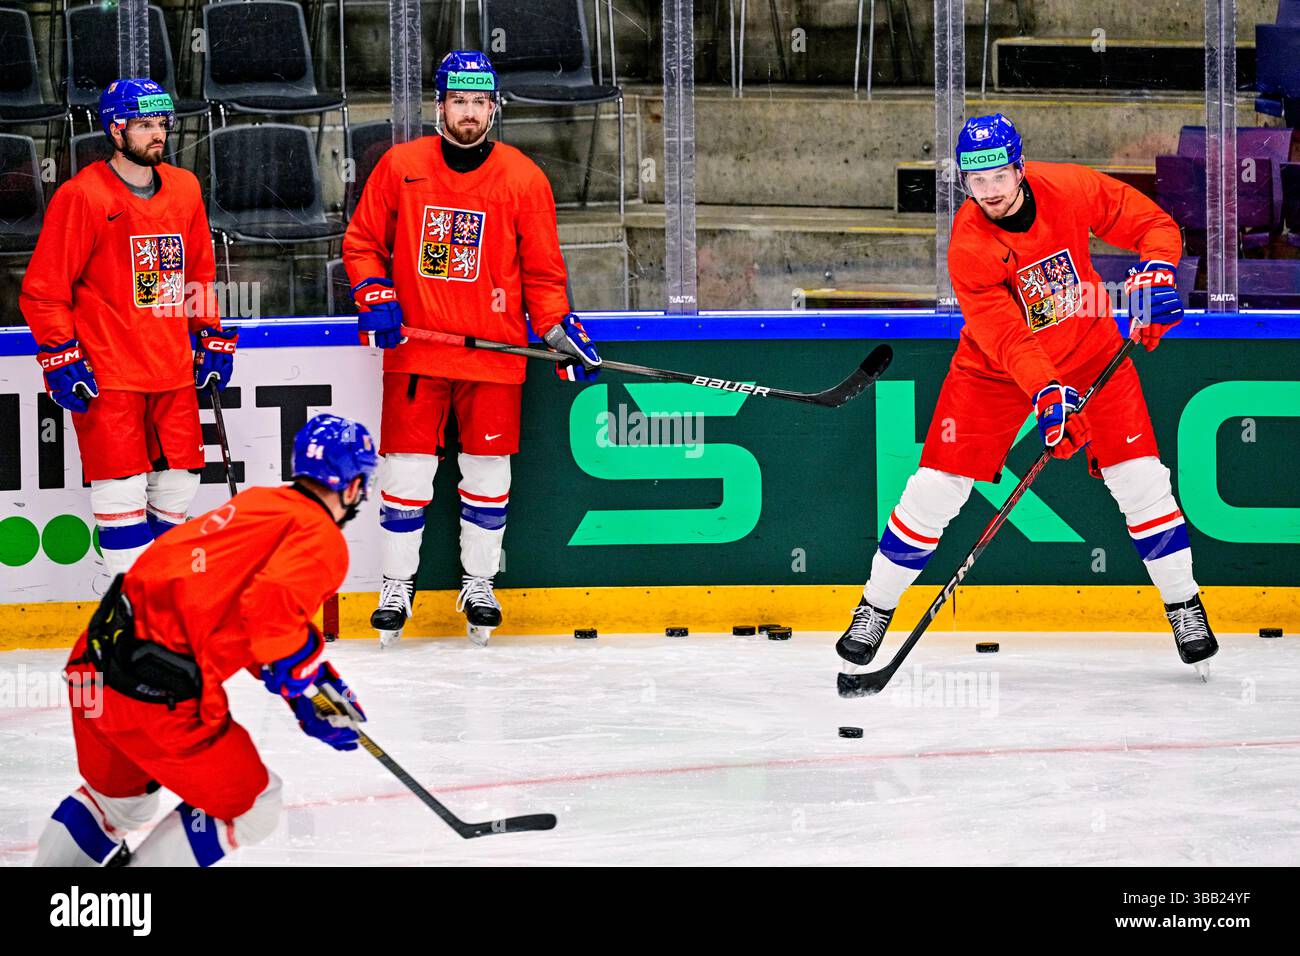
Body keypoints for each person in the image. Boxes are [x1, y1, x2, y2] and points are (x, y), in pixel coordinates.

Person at [837, 113, 1216, 695]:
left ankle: (1184, 606)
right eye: (974, 179)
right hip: (992, 371)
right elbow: (1008, 336)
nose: (987, 191)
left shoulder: (1070, 188)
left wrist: (1159, 271)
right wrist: (1046, 391)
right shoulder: (969, 245)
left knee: (1141, 480)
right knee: (935, 489)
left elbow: (1152, 223)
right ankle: (875, 608)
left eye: (996, 176)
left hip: (1089, 352)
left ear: (1019, 168)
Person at [34, 414, 378, 867]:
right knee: (255, 805)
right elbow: (268, 616)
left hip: (95, 666)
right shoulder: (321, 537)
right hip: (157, 695)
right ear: (352, 485)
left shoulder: (260, 502)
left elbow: (236, 613)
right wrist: (303, 681)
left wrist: (311, 683)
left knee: (118, 802)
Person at [343, 50, 601, 647]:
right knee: (407, 471)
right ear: (440, 106)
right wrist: (375, 293)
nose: (468, 112)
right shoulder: (400, 166)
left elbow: (542, 275)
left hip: (495, 355)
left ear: (494, 107)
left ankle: (479, 583)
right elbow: (361, 242)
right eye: (458, 101)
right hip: (418, 351)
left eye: (478, 101)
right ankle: (395, 584)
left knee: (487, 473)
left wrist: (559, 330)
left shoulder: (522, 178)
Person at [19, 77, 237, 577]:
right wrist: (61, 353)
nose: (157, 134)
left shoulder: (185, 188)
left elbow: (199, 271)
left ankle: (147, 584)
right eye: (144, 125)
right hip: (110, 369)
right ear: (116, 131)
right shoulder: (83, 196)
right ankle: (127, 603)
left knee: (180, 482)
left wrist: (211, 333)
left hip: (172, 367)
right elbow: (44, 289)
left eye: (163, 123)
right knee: (120, 487)